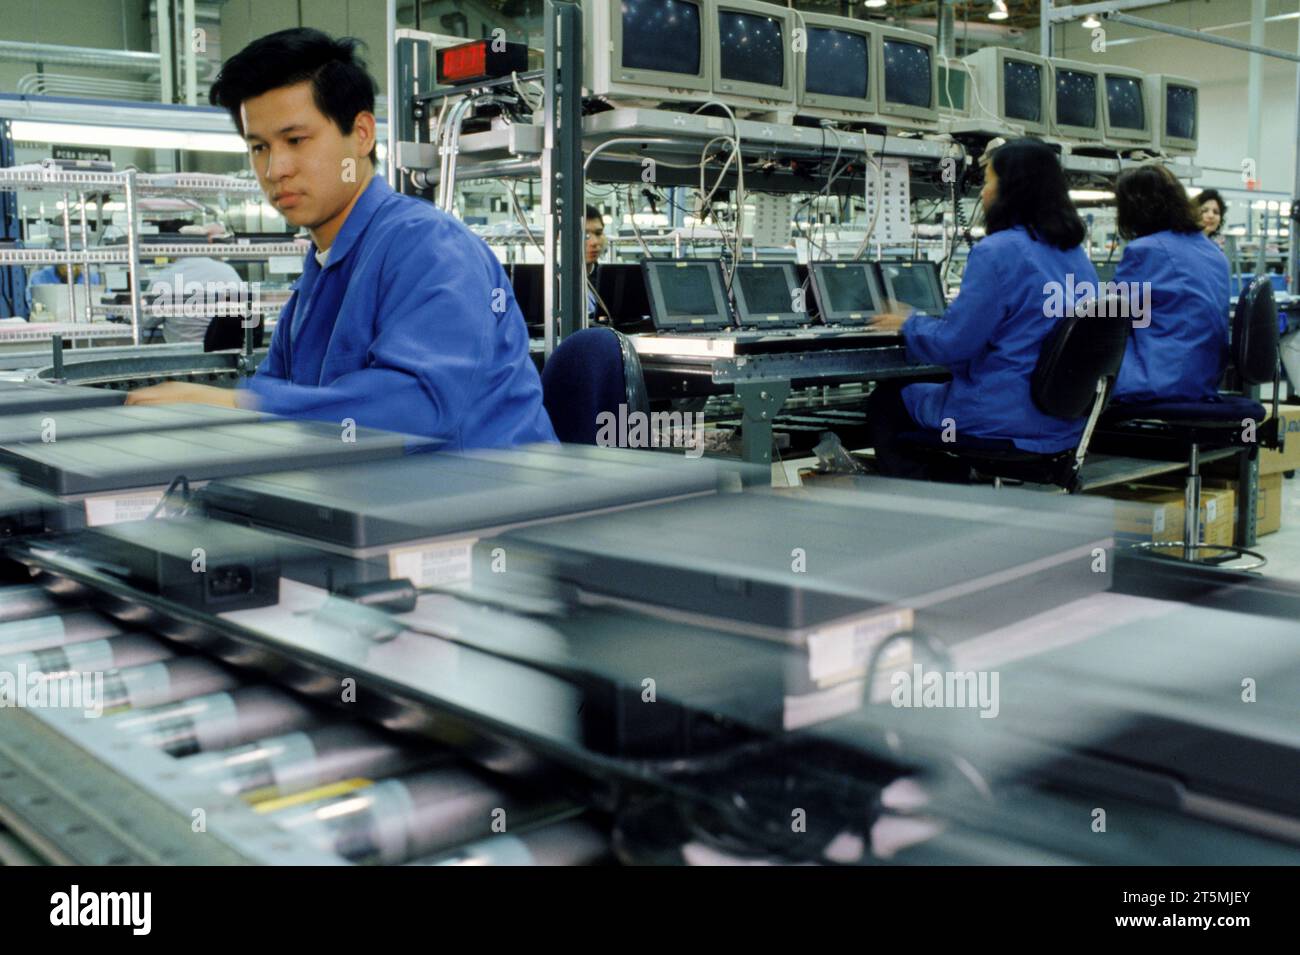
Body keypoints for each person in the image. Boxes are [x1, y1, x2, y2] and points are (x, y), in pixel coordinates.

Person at [126, 28, 556, 451]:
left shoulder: (428, 246)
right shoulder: (319, 276)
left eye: (296, 140)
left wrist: (239, 406)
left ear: (362, 133)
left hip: (490, 489)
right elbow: (281, 396)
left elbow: (421, 406)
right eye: (259, 147)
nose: (275, 169)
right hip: (381, 490)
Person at [868, 138, 1098, 479]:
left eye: (989, 181)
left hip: (1000, 418)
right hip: (1062, 424)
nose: (983, 192)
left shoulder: (997, 252)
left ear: (1011, 189)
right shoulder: (1077, 257)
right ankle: (960, 484)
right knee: (934, 384)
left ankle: (922, 502)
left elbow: (953, 344)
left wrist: (909, 322)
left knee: (887, 400)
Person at [1109, 165, 1228, 405]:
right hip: (1203, 382)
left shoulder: (1146, 250)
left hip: (1157, 380)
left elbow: (1111, 317)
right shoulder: (1213, 251)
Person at [24, 262, 101, 316]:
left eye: (76, 264)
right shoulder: (39, 278)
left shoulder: (92, 278)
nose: (72, 269)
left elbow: (104, 306)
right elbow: (33, 309)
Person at [585, 205, 607, 322]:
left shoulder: (609, 279)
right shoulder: (551, 284)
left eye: (598, 233)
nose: (594, 242)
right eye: (585, 235)